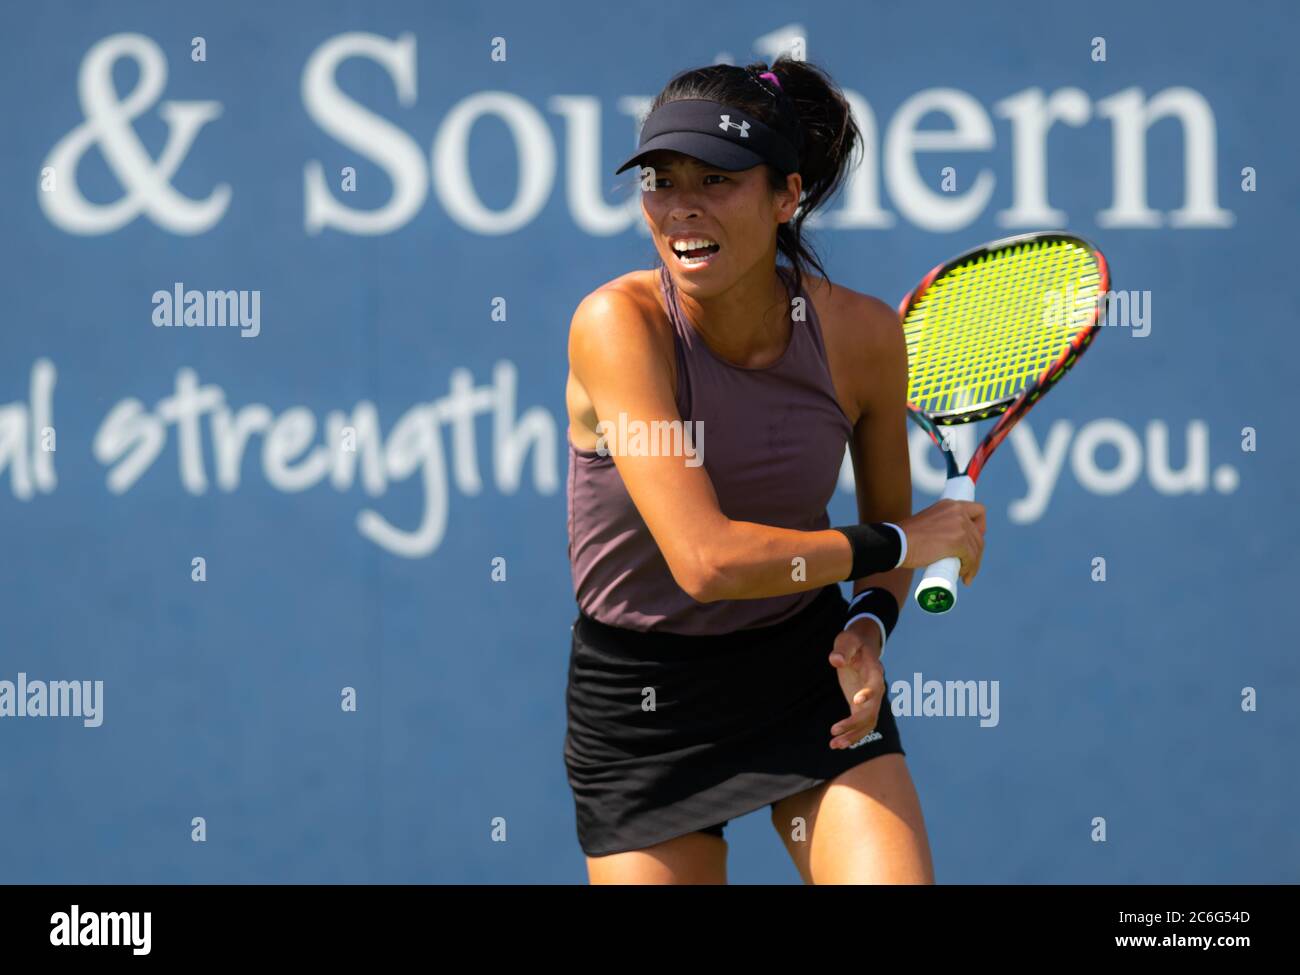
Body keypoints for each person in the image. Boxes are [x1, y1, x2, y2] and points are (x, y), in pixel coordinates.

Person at [563, 57, 986, 884]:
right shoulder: (617, 325)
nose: (681, 205)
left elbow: (884, 562)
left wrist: (868, 628)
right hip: (645, 705)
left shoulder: (861, 337)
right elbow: (708, 561)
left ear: (786, 196)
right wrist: (904, 541)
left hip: (802, 669)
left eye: (717, 179)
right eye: (660, 178)